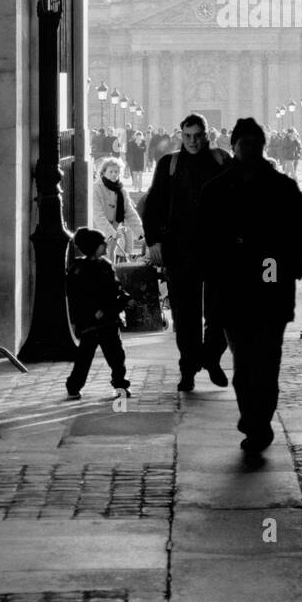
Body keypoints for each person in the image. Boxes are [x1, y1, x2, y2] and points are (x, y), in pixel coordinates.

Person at [198, 118, 302, 454]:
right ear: (233, 146)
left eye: (252, 143)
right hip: (237, 286)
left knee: (263, 361)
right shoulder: (225, 189)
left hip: (266, 282)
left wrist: (286, 268)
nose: (247, 149)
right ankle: (254, 415)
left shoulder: (272, 187)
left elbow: (301, 234)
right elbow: (203, 240)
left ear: (261, 146)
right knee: (247, 361)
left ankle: (258, 419)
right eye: (243, 144)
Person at [143, 113, 231, 391]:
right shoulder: (169, 163)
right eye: (187, 135)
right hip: (180, 248)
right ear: (181, 135)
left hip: (218, 248)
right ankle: (189, 368)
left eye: (197, 135)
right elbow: (155, 203)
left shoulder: (222, 160)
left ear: (207, 135)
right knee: (185, 314)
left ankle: (212, 356)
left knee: (221, 311)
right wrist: (153, 241)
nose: (192, 141)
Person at [65, 227, 131, 399]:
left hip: (108, 320)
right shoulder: (79, 269)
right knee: (84, 358)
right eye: (101, 243)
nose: (105, 245)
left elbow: (115, 289)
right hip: (91, 323)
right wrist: (91, 313)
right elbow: (76, 296)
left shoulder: (105, 266)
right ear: (93, 246)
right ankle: (74, 385)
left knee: (117, 357)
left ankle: (120, 385)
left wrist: (124, 299)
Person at [93, 157, 143, 258]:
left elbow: (130, 213)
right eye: (111, 171)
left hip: (115, 230)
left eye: (116, 171)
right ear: (103, 172)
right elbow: (98, 215)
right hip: (99, 231)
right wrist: (111, 233)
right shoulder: (96, 188)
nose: (114, 174)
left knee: (111, 260)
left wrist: (141, 234)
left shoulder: (122, 191)